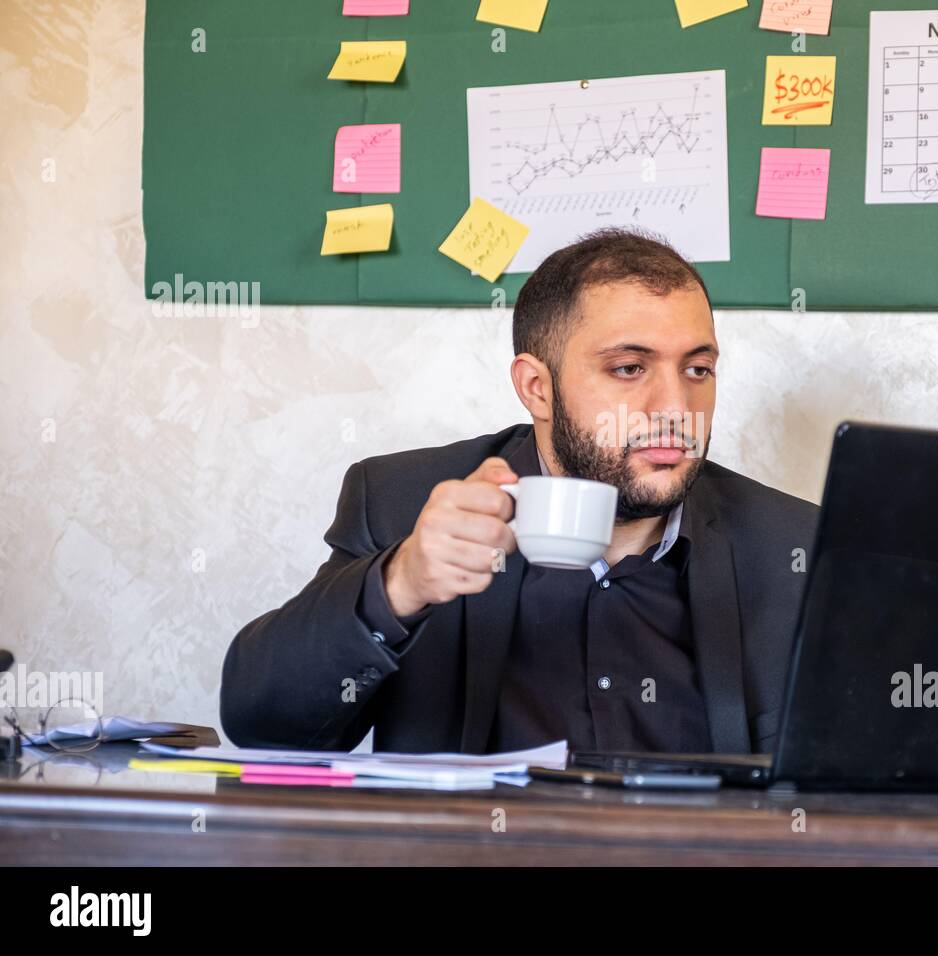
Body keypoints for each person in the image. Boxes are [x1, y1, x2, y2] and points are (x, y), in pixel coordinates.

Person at [220, 228, 818, 754]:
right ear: (537, 388)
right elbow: (264, 723)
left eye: (697, 370)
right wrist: (400, 583)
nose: (675, 409)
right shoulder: (405, 503)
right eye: (629, 368)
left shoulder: (795, 547)